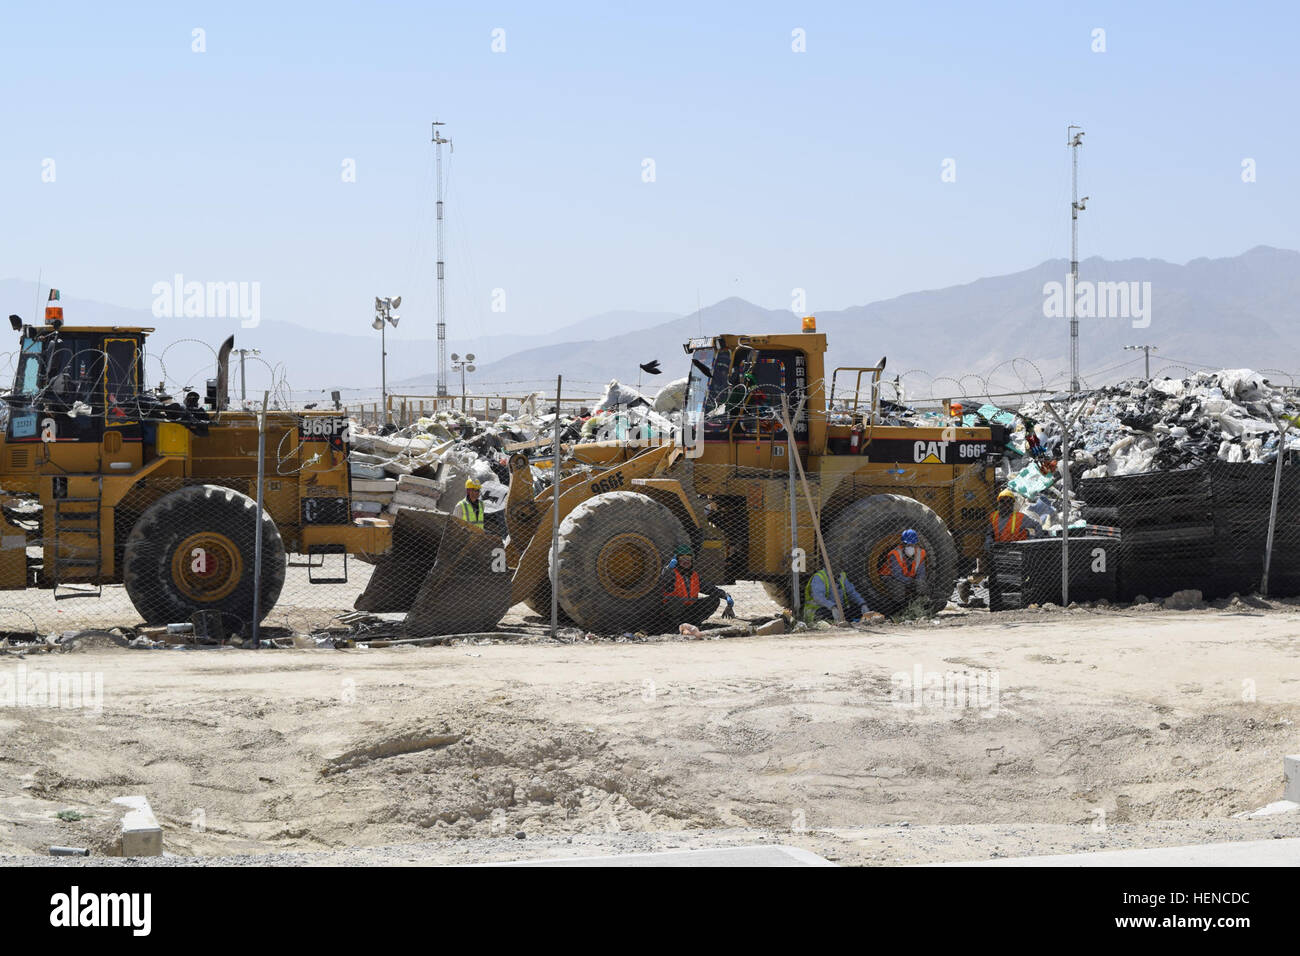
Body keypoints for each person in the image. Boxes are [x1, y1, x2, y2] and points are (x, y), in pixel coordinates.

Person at [659, 544, 735, 629]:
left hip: (689, 611)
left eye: (688, 558)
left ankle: (694, 623)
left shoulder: (694, 576)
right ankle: (673, 625)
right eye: (682, 558)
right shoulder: (672, 574)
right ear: (676, 560)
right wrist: (667, 569)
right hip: (671, 614)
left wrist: (726, 596)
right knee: (675, 601)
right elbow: (662, 580)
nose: (686, 561)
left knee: (714, 599)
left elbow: (710, 589)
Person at [803, 567, 870, 624]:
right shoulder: (819, 577)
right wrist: (832, 607)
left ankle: (847, 620)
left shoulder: (842, 575)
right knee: (824, 614)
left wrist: (862, 604)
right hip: (819, 611)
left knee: (857, 610)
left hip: (839, 609)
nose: (839, 570)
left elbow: (852, 592)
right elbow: (818, 597)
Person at [879, 528, 928, 606]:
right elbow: (897, 574)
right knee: (899, 587)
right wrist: (910, 582)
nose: (910, 547)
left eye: (912, 545)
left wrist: (918, 582)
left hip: (908, 578)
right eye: (908, 544)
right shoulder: (895, 554)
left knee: (921, 583)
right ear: (903, 544)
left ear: (915, 544)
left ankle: (919, 604)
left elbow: (921, 572)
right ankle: (898, 607)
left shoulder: (920, 553)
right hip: (890, 577)